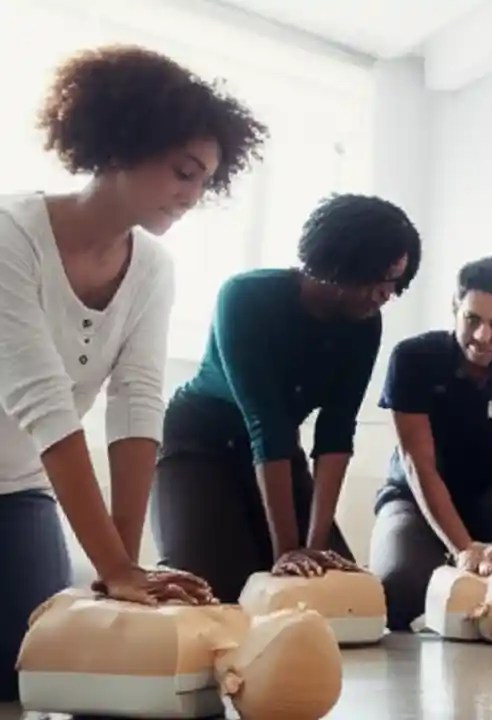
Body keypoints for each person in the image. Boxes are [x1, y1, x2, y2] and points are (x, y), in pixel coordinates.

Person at [0, 45, 265, 699]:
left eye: (206, 180)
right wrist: (115, 565)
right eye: (182, 172)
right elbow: (43, 401)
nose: (194, 195)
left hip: (15, 490)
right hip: (34, 451)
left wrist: (122, 572)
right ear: (121, 146)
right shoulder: (9, 236)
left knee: (24, 668)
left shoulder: (153, 267)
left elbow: (137, 403)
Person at [149, 193, 421, 603]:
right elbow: (266, 423)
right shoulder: (245, 297)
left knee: (339, 595)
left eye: (395, 283)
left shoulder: (364, 323)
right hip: (199, 444)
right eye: (378, 280)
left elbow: (336, 430)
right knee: (214, 591)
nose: (385, 294)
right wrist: (286, 553)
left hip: (277, 452)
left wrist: (313, 546)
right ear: (339, 263)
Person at [368, 256, 492, 631]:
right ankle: (453, 560)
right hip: (414, 500)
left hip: (487, 502)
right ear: (454, 308)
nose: (482, 336)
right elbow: (418, 465)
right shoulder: (412, 358)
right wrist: (462, 548)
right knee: (398, 594)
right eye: (472, 320)